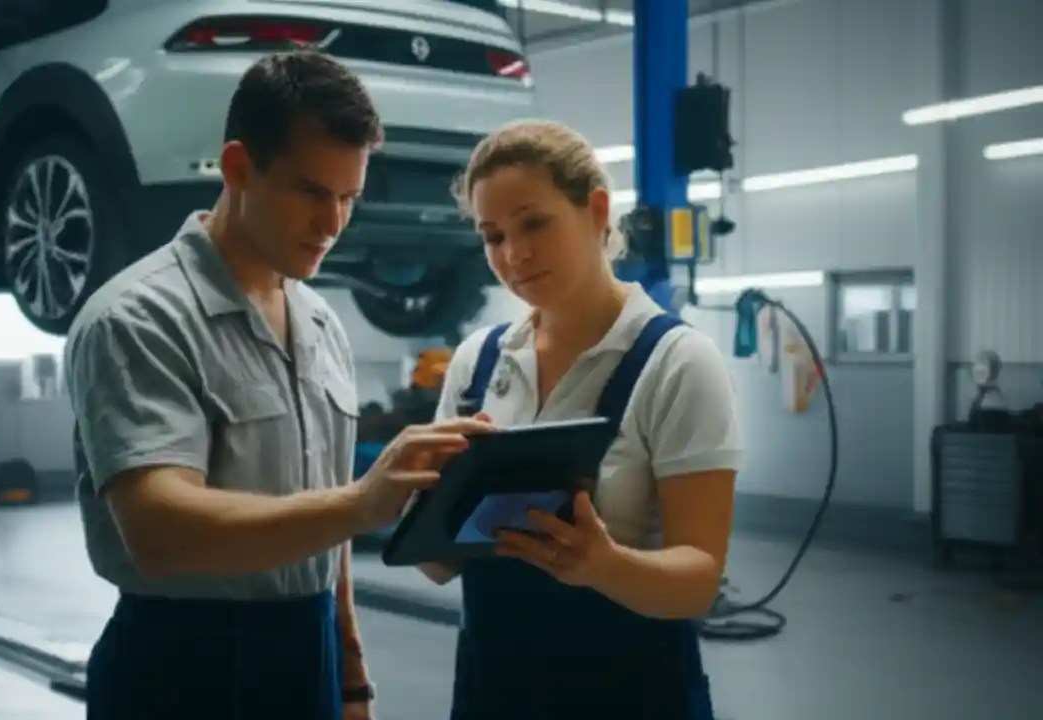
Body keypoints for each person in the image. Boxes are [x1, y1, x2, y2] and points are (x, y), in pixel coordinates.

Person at [64, 50, 492, 720]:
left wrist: (350, 675)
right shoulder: (138, 319)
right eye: (311, 192)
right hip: (179, 667)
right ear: (239, 168)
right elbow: (159, 529)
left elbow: (326, 529)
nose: (333, 223)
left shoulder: (321, 324)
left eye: (349, 197)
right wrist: (361, 503)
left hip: (309, 653)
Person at [420, 120, 744, 719]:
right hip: (495, 690)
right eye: (492, 236)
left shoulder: (676, 363)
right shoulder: (476, 363)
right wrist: (417, 505)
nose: (513, 255)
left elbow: (699, 577)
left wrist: (605, 566)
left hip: (633, 695)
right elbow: (439, 564)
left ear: (596, 212)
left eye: (534, 223)